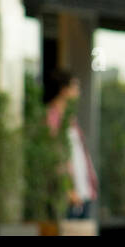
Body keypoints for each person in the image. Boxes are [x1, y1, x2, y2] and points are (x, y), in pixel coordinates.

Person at [45, 70, 98, 221]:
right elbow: (55, 156)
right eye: (75, 87)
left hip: (83, 191)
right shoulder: (51, 117)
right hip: (67, 194)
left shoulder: (70, 118)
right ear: (64, 89)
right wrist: (67, 188)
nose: (79, 91)